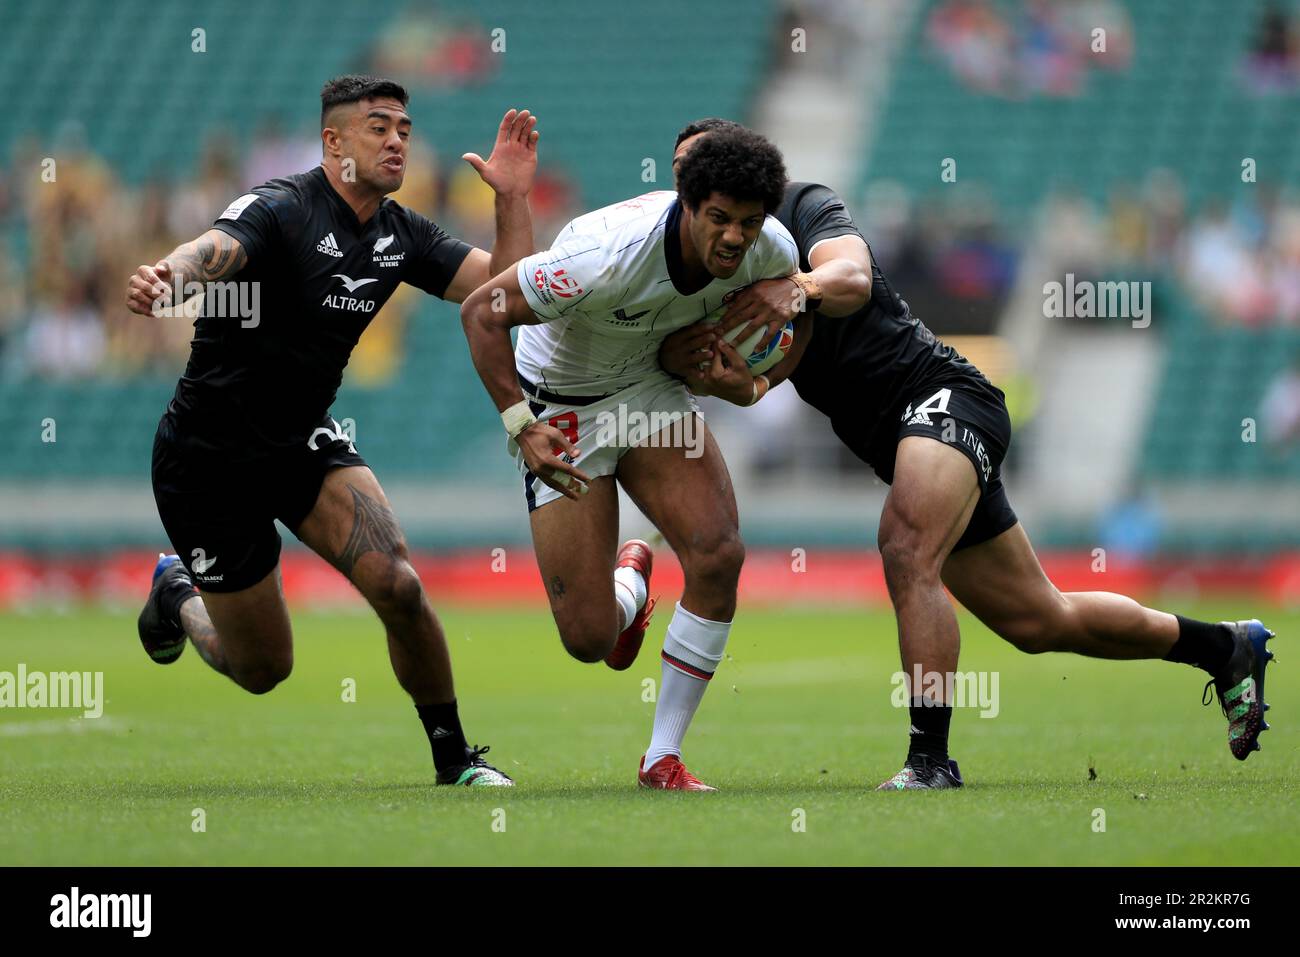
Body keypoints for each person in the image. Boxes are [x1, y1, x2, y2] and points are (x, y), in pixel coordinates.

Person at [660, 119, 1276, 790]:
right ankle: (1226, 646)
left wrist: (802, 286)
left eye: (702, 172)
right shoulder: (711, 267)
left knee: (905, 544)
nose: (689, 193)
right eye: (683, 181)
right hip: (896, 441)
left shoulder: (803, 206)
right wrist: (735, 385)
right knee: (1040, 619)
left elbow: (854, 278)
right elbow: (771, 374)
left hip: (945, 396)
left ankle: (931, 762)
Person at [126, 75, 540, 787]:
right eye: (378, 126)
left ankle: (455, 762)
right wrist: (172, 275)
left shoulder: (399, 232)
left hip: (298, 442)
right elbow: (215, 248)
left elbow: (509, 294)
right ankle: (177, 593)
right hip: (208, 459)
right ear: (333, 141)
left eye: (405, 129)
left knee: (401, 586)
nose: (396, 140)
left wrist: (510, 201)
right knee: (262, 669)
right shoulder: (282, 208)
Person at [460, 128, 799, 790]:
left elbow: (801, 310)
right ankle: (632, 583)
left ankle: (661, 757)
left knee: (719, 552)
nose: (735, 237)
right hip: (562, 406)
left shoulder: (774, 250)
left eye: (749, 223)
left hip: (648, 389)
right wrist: (520, 425)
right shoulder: (601, 255)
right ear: (687, 204)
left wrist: (758, 378)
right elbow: (480, 311)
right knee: (588, 638)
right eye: (720, 219)